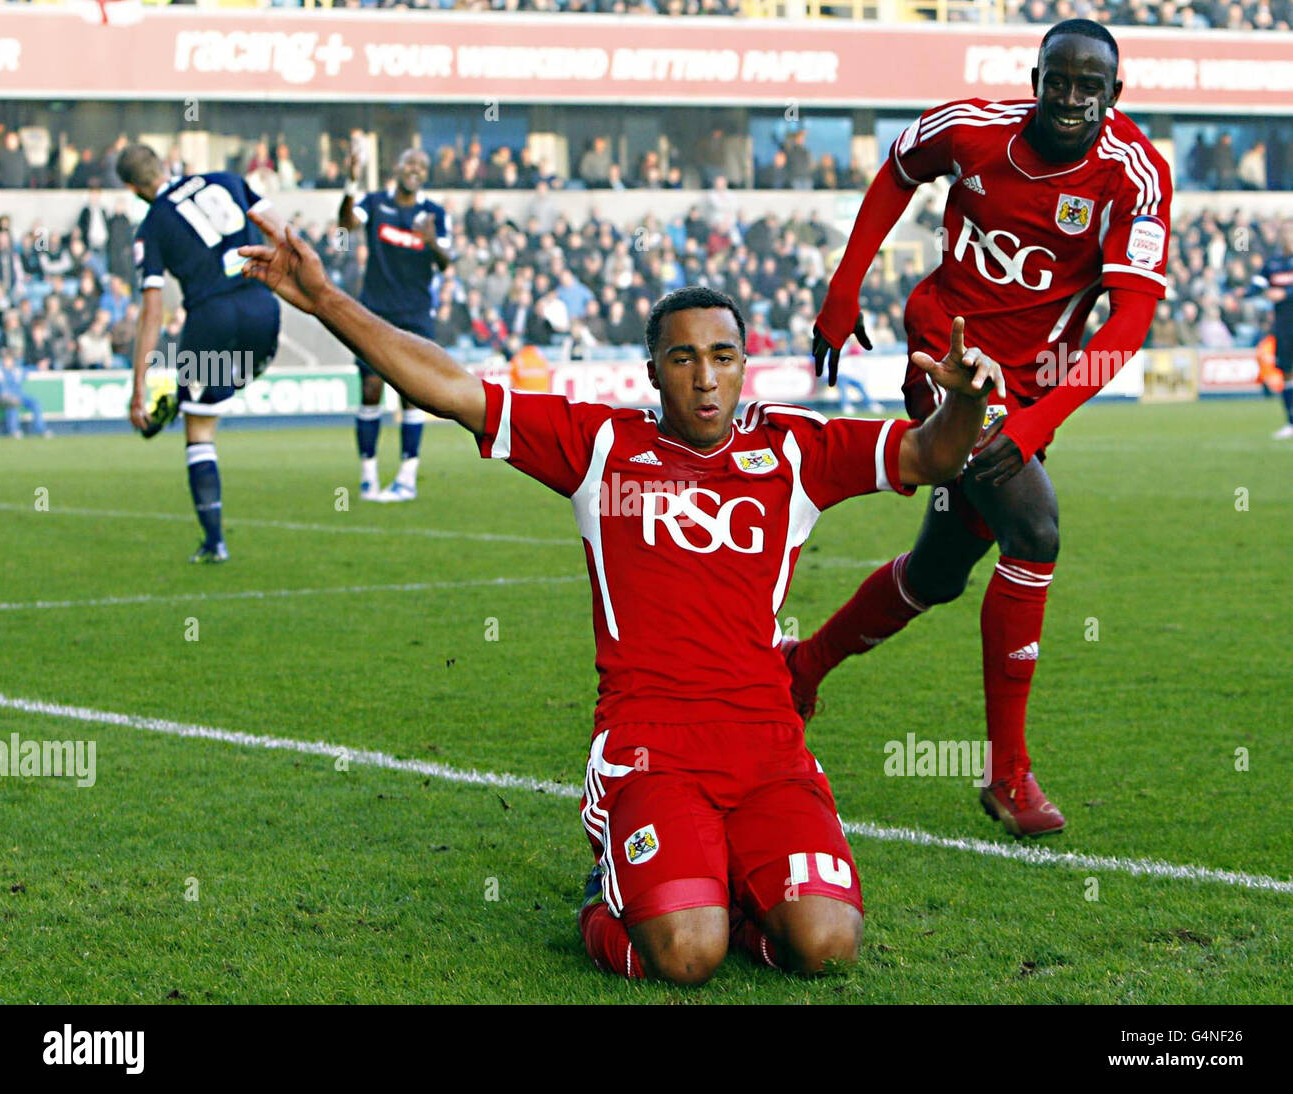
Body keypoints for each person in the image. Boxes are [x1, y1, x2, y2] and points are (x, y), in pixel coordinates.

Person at [239, 214, 1003, 985]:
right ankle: (610, 904)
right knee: (686, 957)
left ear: (746, 367)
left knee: (826, 945)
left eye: (722, 357)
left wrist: (966, 401)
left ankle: (729, 889)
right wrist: (328, 299)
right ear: (652, 371)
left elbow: (933, 453)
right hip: (650, 747)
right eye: (683, 358)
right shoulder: (601, 448)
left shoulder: (794, 452)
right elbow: (450, 389)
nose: (705, 378)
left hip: (766, 742)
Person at [799, 20, 1172, 837]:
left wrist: (1038, 419)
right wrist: (844, 286)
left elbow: (1127, 323)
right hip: (948, 355)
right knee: (1034, 529)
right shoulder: (969, 128)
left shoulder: (1133, 178)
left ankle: (801, 667)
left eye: (1090, 86)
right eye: (1059, 80)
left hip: (1032, 388)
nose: (1071, 99)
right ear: (1035, 76)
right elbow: (897, 171)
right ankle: (1008, 775)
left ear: (1115, 92)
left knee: (936, 573)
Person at [120, 142, 282, 563]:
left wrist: (139, 387)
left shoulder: (152, 225)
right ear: (163, 165)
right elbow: (279, 230)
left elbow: (152, 311)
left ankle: (214, 543)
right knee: (225, 382)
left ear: (134, 188)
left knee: (200, 429)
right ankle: (198, 391)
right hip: (263, 308)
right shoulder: (226, 179)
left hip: (211, 318)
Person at [339, 147, 451, 502]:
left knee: (411, 393)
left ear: (426, 174)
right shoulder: (374, 202)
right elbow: (345, 223)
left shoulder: (433, 213)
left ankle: (407, 476)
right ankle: (368, 475)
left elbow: (446, 262)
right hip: (375, 311)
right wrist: (351, 180)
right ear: (398, 167)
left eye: (421, 165)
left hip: (415, 313)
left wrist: (431, 241)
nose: (414, 169)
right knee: (370, 388)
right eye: (409, 163)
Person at [1253, 220, 1293, 437]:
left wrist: (1285, 294)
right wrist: (1241, 293)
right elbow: (1257, 284)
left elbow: (1282, 291)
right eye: (1285, 233)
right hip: (1284, 326)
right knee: (1286, 372)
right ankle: (1291, 422)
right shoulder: (1274, 263)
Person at [0, 347, 51, 437]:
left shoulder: (18, 371)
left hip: (19, 396)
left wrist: (40, 367)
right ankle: (13, 430)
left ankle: (41, 429)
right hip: (5, 397)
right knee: (12, 403)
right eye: (6, 359)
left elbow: (30, 369)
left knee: (35, 402)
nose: (8, 362)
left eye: (9, 359)